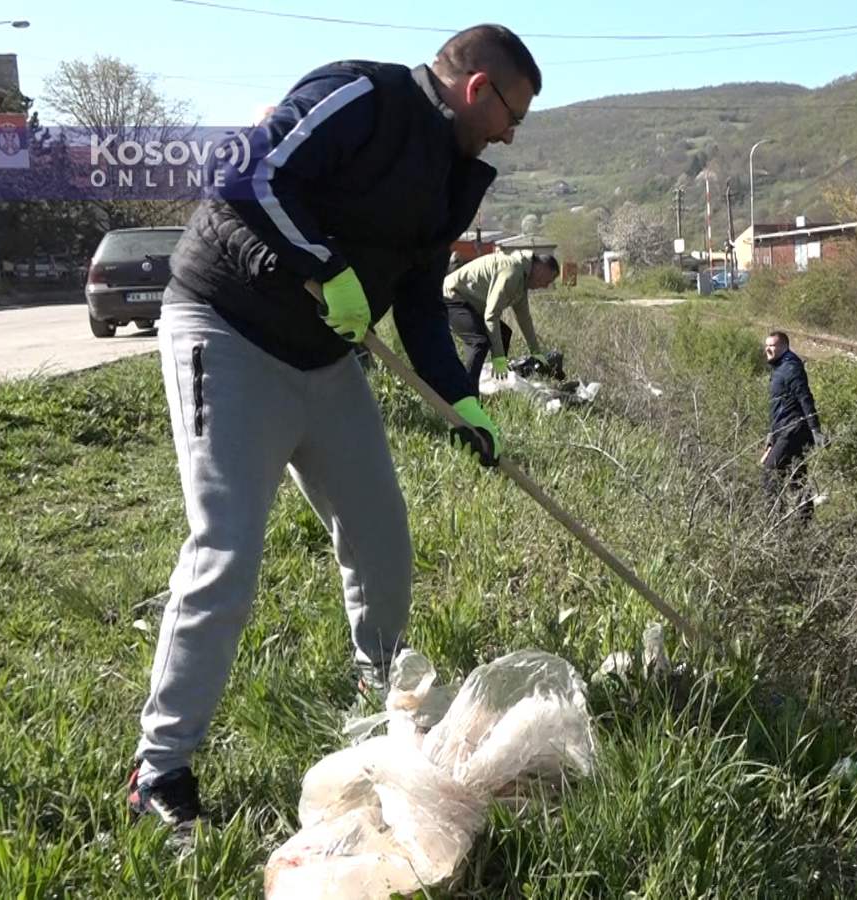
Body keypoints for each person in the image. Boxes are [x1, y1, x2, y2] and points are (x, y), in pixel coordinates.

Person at [128, 24, 542, 830]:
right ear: (476, 88)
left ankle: (377, 685)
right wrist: (324, 265)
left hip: (326, 357)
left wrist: (460, 398)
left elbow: (422, 296)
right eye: (511, 114)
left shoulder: (452, 173)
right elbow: (244, 175)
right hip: (227, 328)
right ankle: (160, 770)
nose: (509, 134)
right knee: (226, 551)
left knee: (381, 532)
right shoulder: (364, 98)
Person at [443, 249, 560, 392]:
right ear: (541, 269)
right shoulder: (512, 271)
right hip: (452, 296)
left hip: (471, 304)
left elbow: (524, 319)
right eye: (548, 281)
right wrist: (498, 357)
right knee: (478, 342)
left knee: (504, 333)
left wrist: (536, 351)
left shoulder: (522, 279)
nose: (545, 286)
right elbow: (491, 316)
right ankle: (466, 392)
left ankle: (495, 383)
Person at [760, 331, 825, 521]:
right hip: (785, 430)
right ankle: (805, 524)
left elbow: (805, 398)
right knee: (797, 477)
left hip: (794, 430)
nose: (768, 349)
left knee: (770, 474)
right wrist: (772, 435)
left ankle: (773, 523)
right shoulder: (780, 368)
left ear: (784, 347)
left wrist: (815, 430)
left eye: (773, 345)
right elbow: (781, 406)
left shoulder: (790, 368)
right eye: (767, 345)